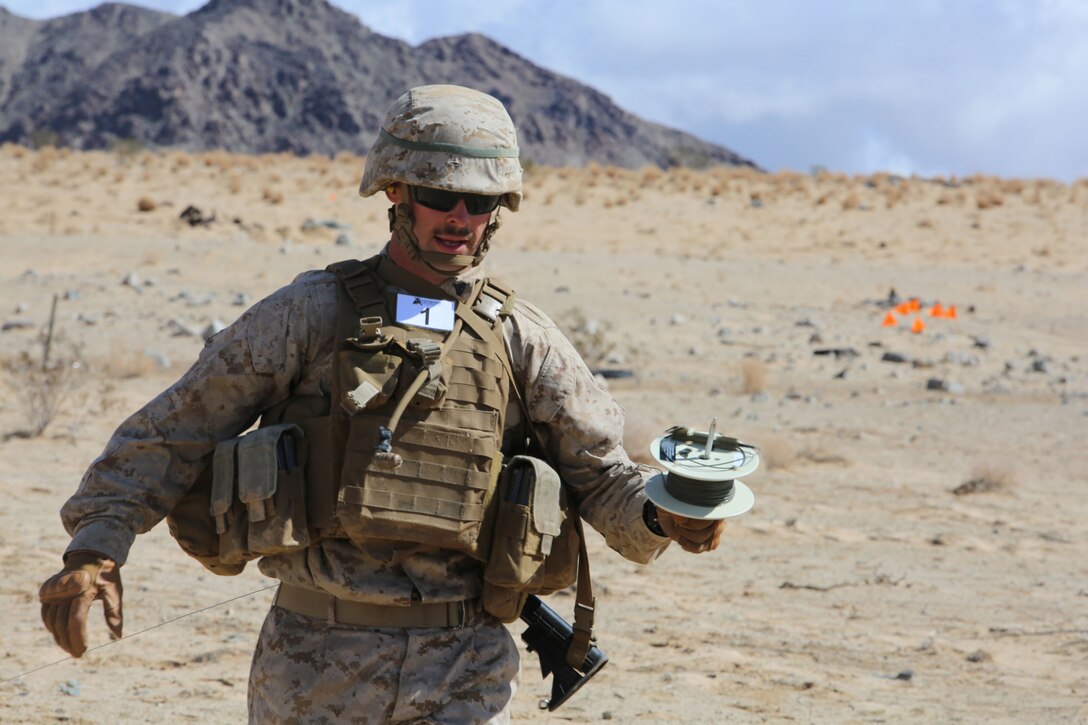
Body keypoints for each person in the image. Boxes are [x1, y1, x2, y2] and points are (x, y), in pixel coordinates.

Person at [39, 84, 726, 724]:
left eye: (480, 202)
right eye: (439, 193)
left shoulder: (524, 338)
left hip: (467, 665)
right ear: (395, 190)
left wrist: (665, 515)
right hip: (313, 663)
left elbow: (603, 474)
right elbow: (174, 431)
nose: (461, 218)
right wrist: (95, 549)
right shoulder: (309, 313)